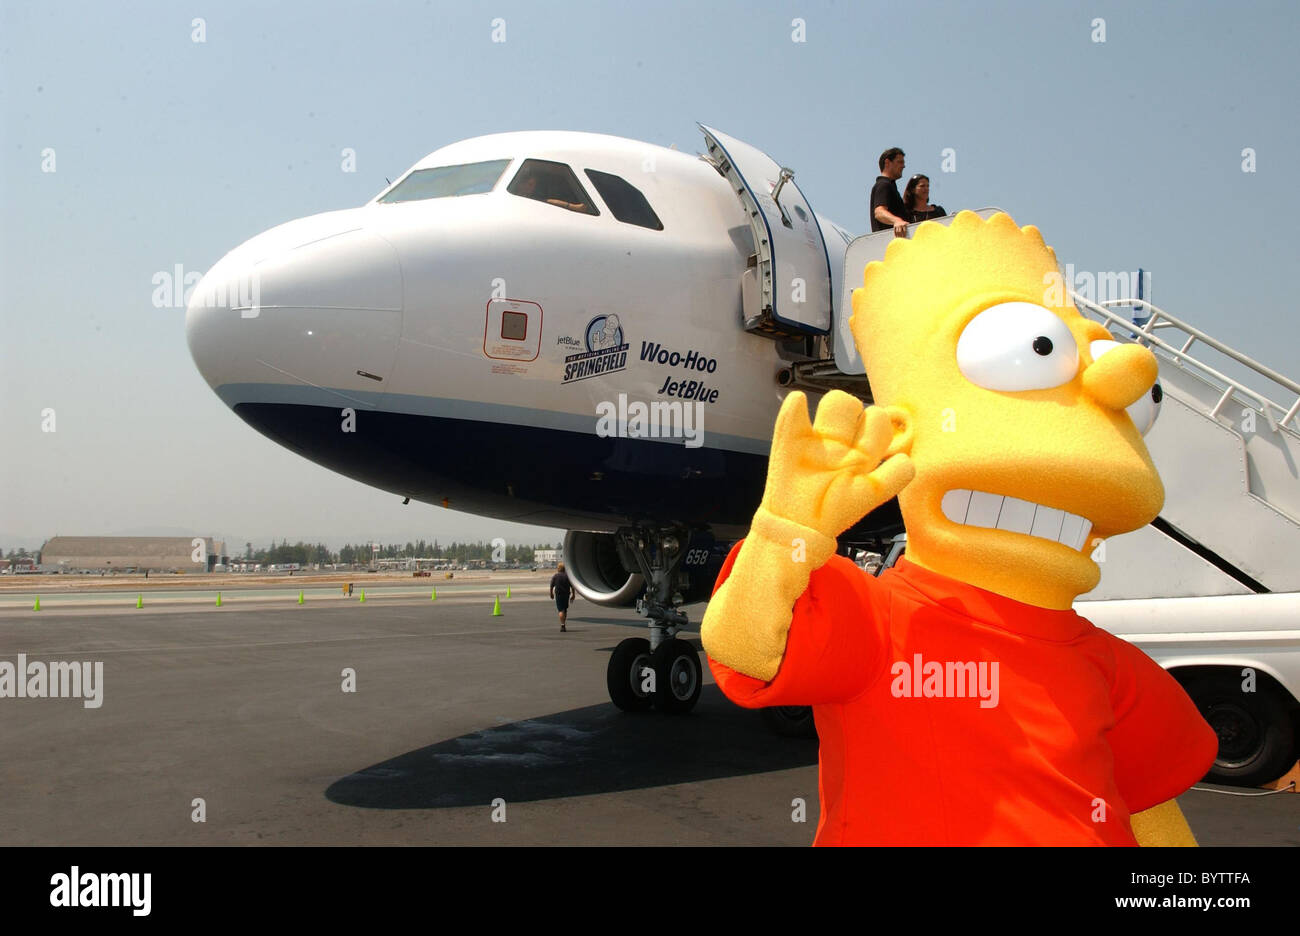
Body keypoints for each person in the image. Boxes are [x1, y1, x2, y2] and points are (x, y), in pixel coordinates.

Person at [870, 148, 909, 236]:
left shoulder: (890, 186)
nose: (903, 166)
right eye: (900, 162)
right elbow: (879, 212)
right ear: (887, 162)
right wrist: (897, 221)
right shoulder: (883, 185)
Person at [549, 562, 577, 632]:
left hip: (559, 594)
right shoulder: (568, 576)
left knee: (560, 610)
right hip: (566, 594)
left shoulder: (555, 576)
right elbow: (572, 586)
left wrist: (551, 594)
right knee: (564, 609)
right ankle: (563, 624)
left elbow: (551, 585)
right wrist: (573, 595)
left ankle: (562, 625)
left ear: (558, 568)